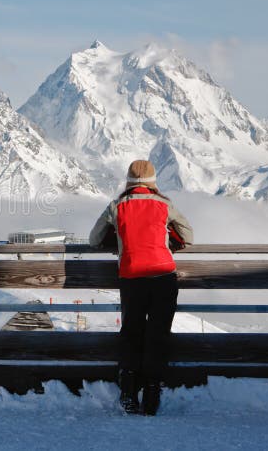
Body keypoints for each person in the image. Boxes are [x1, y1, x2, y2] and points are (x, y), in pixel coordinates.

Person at [89, 159, 193, 415]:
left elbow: (94, 240)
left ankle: (128, 388)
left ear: (128, 181)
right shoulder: (164, 204)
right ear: (153, 181)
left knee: (132, 332)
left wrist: (119, 236)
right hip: (163, 276)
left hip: (132, 277)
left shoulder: (117, 206)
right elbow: (188, 236)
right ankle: (152, 391)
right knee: (158, 334)